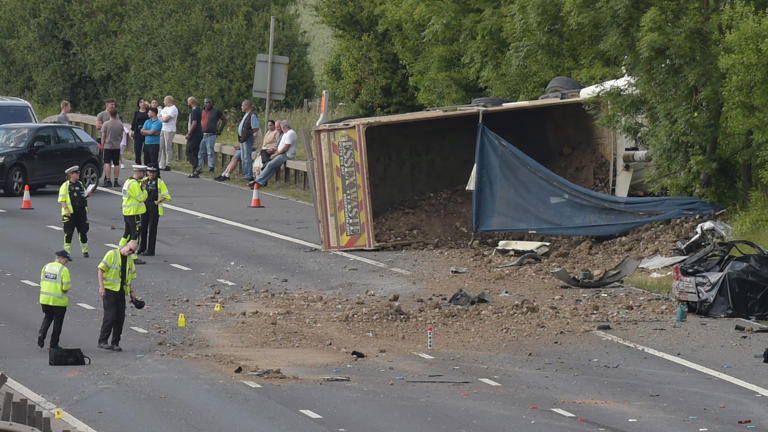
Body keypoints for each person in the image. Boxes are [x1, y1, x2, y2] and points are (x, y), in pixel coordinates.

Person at [97, 241, 138, 352]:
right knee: (110, 316)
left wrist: (132, 293)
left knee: (120, 317)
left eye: (132, 252)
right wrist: (101, 287)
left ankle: (115, 343)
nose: (130, 252)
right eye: (129, 249)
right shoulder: (112, 254)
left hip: (121, 291)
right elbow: (100, 270)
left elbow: (128, 279)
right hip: (109, 290)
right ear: (126, 246)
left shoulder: (130, 261)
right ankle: (102, 341)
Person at [38, 250, 72, 349]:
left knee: (48, 317)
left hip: (45, 299)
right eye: (66, 260)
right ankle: (53, 344)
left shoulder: (46, 267)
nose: (66, 262)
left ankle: (41, 333)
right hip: (58, 301)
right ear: (60, 258)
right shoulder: (63, 270)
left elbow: (42, 281)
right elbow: (66, 287)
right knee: (58, 323)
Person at [249, 119, 297, 188]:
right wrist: (276, 152)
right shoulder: (286, 133)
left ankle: (257, 181)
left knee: (270, 165)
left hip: (286, 155)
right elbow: (281, 146)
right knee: (273, 168)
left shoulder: (290, 133)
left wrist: (276, 154)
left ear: (284, 127)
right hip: (282, 153)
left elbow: (286, 148)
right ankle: (261, 183)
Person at [58, 165, 92, 258]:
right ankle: (67, 252)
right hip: (70, 214)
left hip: (81, 213)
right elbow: (62, 199)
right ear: (71, 174)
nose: (78, 175)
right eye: (76, 173)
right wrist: (66, 209)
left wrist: (88, 194)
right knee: (69, 233)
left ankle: (85, 251)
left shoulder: (80, 184)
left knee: (83, 232)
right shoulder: (65, 186)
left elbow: (83, 195)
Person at [138, 167, 171, 256]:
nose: (151, 174)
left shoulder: (160, 182)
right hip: (145, 206)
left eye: (153, 173)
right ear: (147, 172)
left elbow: (167, 195)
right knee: (143, 228)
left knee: (152, 229)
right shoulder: (144, 181)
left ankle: (150, 250)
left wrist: (158, 201)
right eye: (150, 172)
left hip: (154, 207)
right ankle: (142, 247)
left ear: (156, 173)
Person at [119, 165, 147, 265]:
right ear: (138, 173)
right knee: (135, 234)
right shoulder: (134, 184)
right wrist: (144, 189)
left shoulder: (128, 181)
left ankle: (120, 251)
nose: (144, 175)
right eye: (143, 173)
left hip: (127, 212)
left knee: (127, 233)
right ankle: (133, 256)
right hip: (133, 212)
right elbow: (141, 198)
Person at [195, 98, 227, 175]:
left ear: (212, 103)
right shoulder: (200, 111)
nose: (207, 104)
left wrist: (220, 130)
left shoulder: (216, 111)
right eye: (205, 102)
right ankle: (199, 167)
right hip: (201, 134)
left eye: (209, 102)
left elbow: (224, 119)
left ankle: (211, 167)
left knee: (210, 151)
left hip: (211, 134)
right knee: (200, 152)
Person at [237, 100, 260, 181]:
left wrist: (247, 134)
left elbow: (255, 128)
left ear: (247, 106)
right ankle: (245, 174)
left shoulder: (252, 115)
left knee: (247, 157)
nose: (241, 107)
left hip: (247, 139)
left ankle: (249, 175)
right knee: (243, 157)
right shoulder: (246, 115)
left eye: (242, 106)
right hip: (243, 139)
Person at [101, 107, 124, 187]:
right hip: (116, 146)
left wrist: (102, 144)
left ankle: (108, 180)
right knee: (116, 163)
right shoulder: (120, 123)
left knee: (107, 163)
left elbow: (103, 136)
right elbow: (121, 135)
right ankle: (116, 180)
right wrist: (119, 142)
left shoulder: (106, 124)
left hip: (108, 146)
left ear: (109, 114)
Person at [158, 95, 178, 171]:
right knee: (160, 146)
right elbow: (159, 116)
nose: (163, 102)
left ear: (168, 101)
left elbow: (166, 119)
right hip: (163, 129)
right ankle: (157, 163)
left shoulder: (173, 109)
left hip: (169, 130)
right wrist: (162, 118)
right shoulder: (165, 108)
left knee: (168, 147)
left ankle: (168, 164)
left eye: (164, 100)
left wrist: (162, 118)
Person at [185, 97, 203, 177]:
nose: (187, 103)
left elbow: (194, 122)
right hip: (199, 133)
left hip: (194, 134)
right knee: (195, 152)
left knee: (188, 151)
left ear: (191, 102)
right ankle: (195, 172)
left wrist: (189, 133)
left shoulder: (195, 111)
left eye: (188, 102)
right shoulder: (199, 109)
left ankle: (196, 166)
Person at [130, 99, 149, 165]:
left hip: (147, 133)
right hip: (138, 133)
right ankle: (138, 164)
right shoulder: (136, 113)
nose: (142, 103)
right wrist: (131, 131)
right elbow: (134, 122)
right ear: (138, 104)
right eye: (141, 102)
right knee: (137, 150)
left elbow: (155, 111)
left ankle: (146, 164)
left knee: (146, 150)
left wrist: (148, 104)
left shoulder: (149, 111)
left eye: (143, 102)